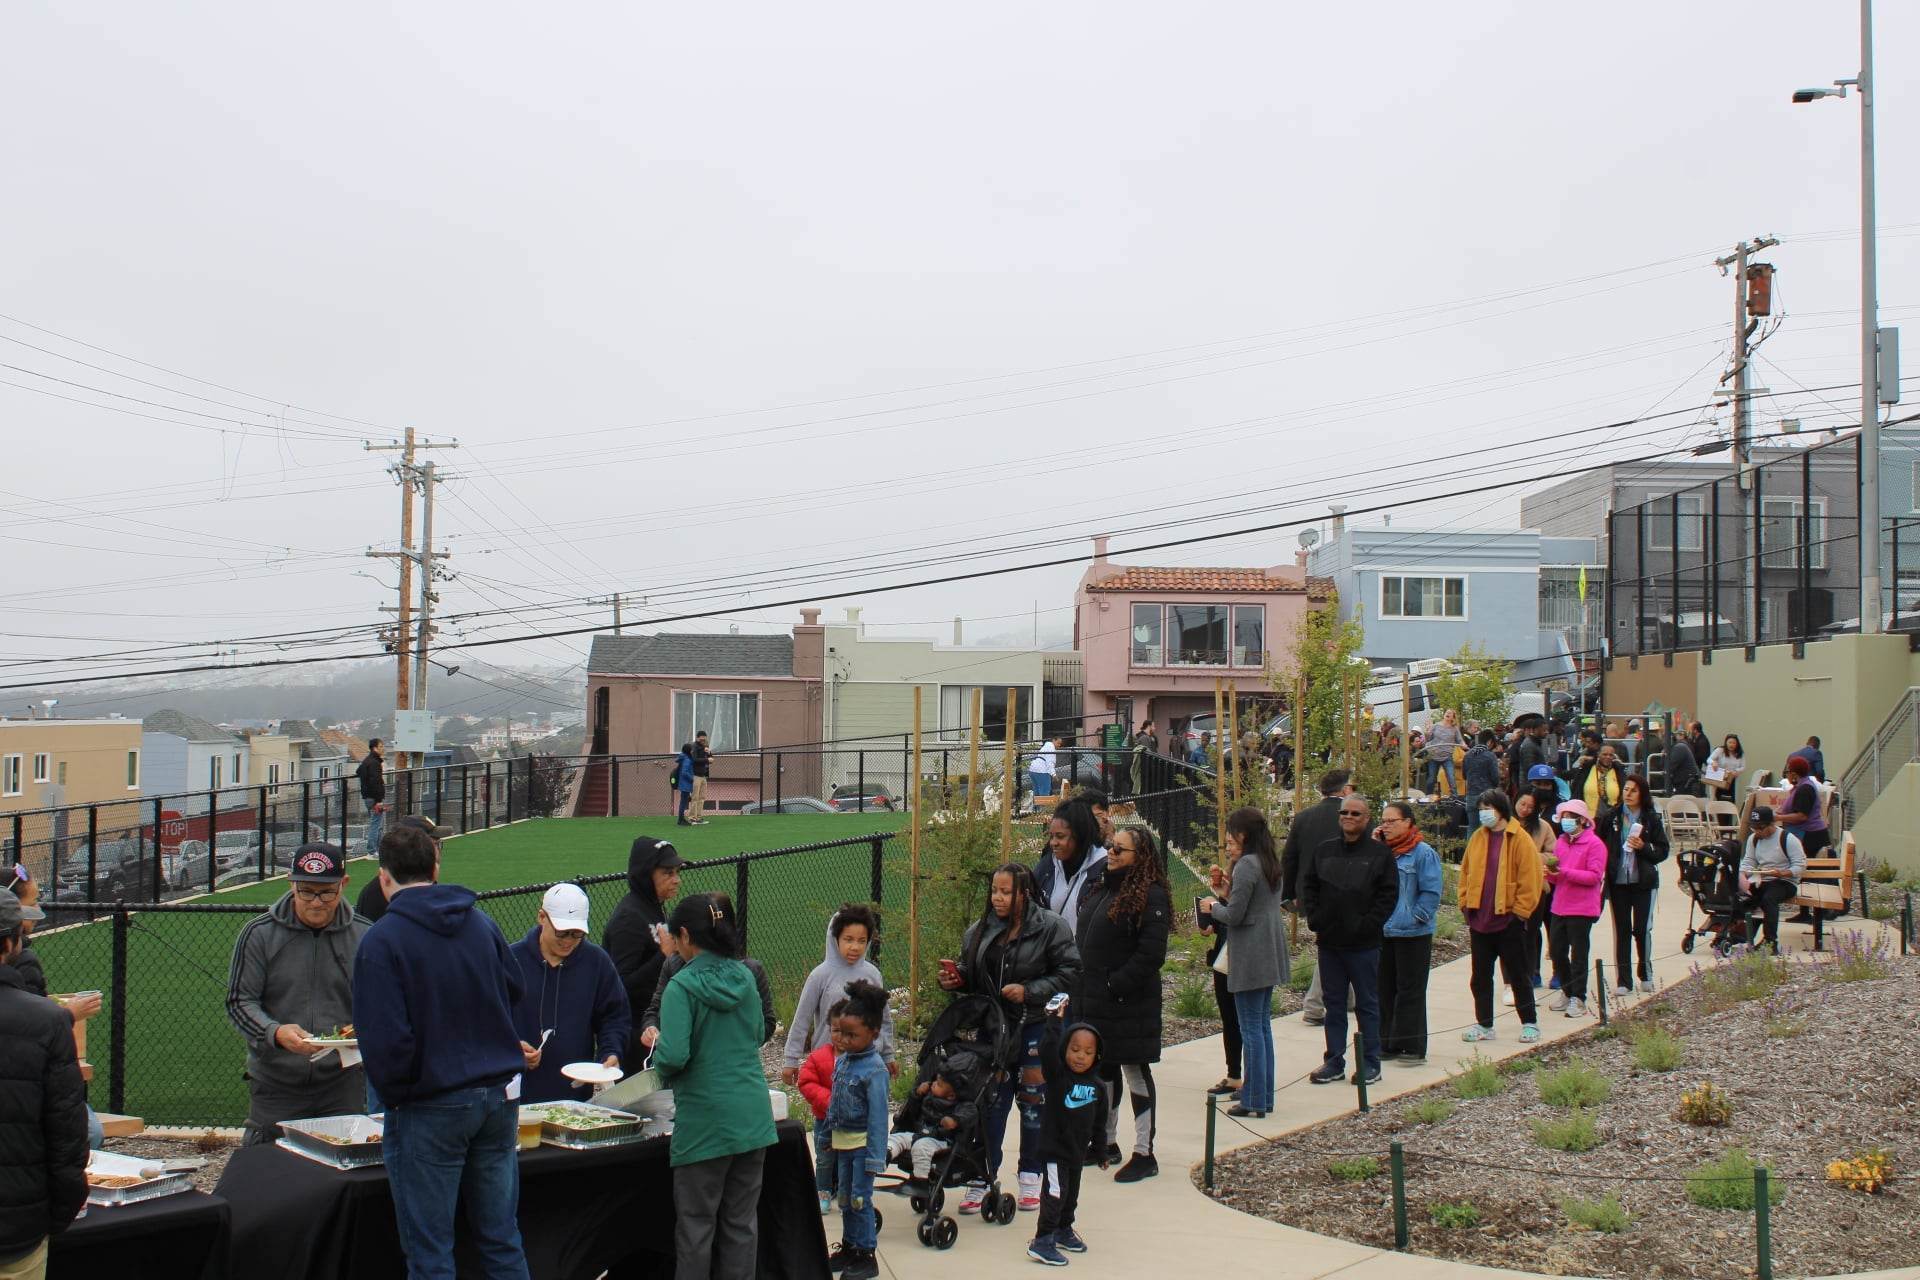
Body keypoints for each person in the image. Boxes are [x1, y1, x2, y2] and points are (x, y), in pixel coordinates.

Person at [353, 824, 530, 1279]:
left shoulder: (382, 940)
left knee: (431, 1254)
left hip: (430, 1103)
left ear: (383, 877)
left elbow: (385, 1039)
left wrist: (400, 1093)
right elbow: (514, 987)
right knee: (501, 1239)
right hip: (495, 1097)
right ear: (434, 868)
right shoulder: (480, 923)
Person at [936, 863, 1080, 1214]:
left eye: (1005, 892)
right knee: (988, 1103)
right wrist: (958, 981)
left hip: (1033, 1027)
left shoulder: (1051, 927)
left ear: (1023, 893)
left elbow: (1071, 971)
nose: (997, 898)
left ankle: (1031, 1175)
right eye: (994, 891)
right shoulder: (980, 930)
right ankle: (981, 1175)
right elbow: (974, 975)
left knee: (1033, 1103)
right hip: (993, 1030)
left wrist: (1029, 991)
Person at [653, 893, 779, 1280]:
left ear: (686, 936)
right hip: (752, 1115)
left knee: (696, 1226)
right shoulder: (745, 975)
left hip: (705, 1119)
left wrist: (662, 1065)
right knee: (741, 1223)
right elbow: (758, 1032)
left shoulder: (682, 986)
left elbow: (673, 1056)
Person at [224, 843, 371, 1147]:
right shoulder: (259, 934)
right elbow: (239, 1002)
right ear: (291, 884)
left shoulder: (366, 936)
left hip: (343, 1083)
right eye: (306, 891)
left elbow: (380, 1004)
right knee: (269, 1173)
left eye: (327, 892)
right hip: (275, 1083)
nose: (316, 903)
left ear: (343, 885)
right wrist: (274, 1032)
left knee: (342, 1177)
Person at [1072, 824, 1170, 1181]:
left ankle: (1144, 1152)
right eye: (1111, 847)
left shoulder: (1151, 896)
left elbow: (1151, 954)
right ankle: (1106, 1142)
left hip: (1129, 1003)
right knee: (1105, 1071)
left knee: (1134, 1072)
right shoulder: (1104, 888)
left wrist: (1116, 985)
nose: (1111, 853)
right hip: (1097, 1001)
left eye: (1120, 850)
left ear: (1139, 857)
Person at [0, 889, 88, 1280]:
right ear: (10, 942)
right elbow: (67, 1136)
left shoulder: (44, 1020)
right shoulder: (45, 1021)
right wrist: (55, 1216)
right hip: (17, 1231)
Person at [779, 904, 895, 1198]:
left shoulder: (872, 974)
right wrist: (791, 1060)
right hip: (830, 1065)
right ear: (835, 939)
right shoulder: (821, 975)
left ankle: (853, 1181)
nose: (854, 947)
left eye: (861, 940)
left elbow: (884, 1019)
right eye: (847, 939)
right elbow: (802, 1018)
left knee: (859, 1125)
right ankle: (825, 1183)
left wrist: (888, 1055)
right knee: (828, 1126)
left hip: (866, 1065)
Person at [506, 883, 630, 1104]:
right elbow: (485, 1020)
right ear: (541, 917)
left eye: (577, 934)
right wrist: (511, 1047)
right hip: (517, 1096)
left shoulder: (597, 962)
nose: (568, 941)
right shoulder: (511, 961)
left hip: (575, 1098)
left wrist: (611, 1052)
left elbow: (614, 1017)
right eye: (562, 933)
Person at [1301, 797, 1396, 1087]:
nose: (1349, 817)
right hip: (1330, 943)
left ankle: (1370, 1062)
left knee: (1367, 1004)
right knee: (1334, 1004)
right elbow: (1310, 885)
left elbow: (1388, 895)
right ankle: (1334, 1060)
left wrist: (1368, 924)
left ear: (1367, 818)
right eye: (1344, 812)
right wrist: (1315, 918)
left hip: (1364, 945)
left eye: (1356, 813)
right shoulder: (1325, 850)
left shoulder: (1380, 855)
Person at [1200, 808, 1287, 1116]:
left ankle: (1253, 1100)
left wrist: (1212, 906)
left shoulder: (1247, 865)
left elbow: (1234, 915)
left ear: (1243, 835)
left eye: (1231, 835)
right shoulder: (1268, 861)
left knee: (1250, 1027)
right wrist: (1227, 893)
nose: (1227, 842)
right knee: (1261, 1026)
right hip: (1269, 948)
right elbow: (1250, 904)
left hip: (1250, 952)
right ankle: (1262, 1095)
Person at [1025, 1004, 1108, 1267]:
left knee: (1070, 1196)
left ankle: (1063, 1230)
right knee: (1055, 1196)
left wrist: (1101, 1150)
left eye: (1087, 1052)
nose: (1080, 1056)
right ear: (1065, 1050)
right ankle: (1043, 1240)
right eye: (1074, 1050)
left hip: (1076, 1153)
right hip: (1054, 1151)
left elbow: (1099, 1123)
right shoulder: (1058, 1076)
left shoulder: (1097, 1087)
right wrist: (1054, 1021)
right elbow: (1048, 1051)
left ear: (1096, 1056)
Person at [1458, 790, 1543, 1042]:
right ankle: (1484, 1024)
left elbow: (1531, 880)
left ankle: (1529, 1022)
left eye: (1488, 807)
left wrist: (1519, 913)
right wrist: (1465, 904)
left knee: (1518, 975)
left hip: (1508, 921)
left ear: (1500, 809)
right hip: (1480, 921)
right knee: (1480, 977)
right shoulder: (1477, 837)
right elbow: (1465, 873)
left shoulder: (1520, 839)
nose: (1483, 812)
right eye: (1481, 807)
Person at [820, 982, 890, 1280]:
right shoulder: (844, 1062)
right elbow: (833, 1105)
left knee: (860, 1200)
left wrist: (875, 1158)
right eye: (841, 1033)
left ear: (873, 1033)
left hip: (862, 1148)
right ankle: (849, 1247)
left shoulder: (875, 1070)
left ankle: (866, 1254)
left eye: (852, 1035)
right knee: (845, 1198)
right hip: (843, 1144)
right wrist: (826, 1138)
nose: (844, 1040)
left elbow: (877, 1119)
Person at [1282, 769, 1351, 1028]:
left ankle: (1349, 998)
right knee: (1333, 946)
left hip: (1309, 894)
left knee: (1340, 944)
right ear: (1344, 790)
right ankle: (1313, 1004)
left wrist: (1288, 894)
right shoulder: (1349, 818)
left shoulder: (1303, 818)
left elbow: (1289, 858)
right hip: (1343, 892)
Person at [1377, 801, 1442, 1063]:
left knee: (1410, 990)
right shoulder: (1381, 853)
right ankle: (1387, 1043)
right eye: (1383, 821)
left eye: (1392, 821)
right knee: (1385, 988)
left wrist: (1416, 917)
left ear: (1408, 822)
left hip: (1413, 932)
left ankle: (1411, 1046)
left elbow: (1431, 891)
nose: (1386, 826)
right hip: (1384, 930)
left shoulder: (1423, 853)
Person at [604, 836, 685, 1029]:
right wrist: (663, 956)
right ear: (646, 874)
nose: (677, 880)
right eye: (668, 873)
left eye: (677, 872)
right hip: (633, 1030)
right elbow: (620, 986)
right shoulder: (628, 919)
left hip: (655, 1020)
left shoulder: (654, 906)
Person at [1598, 775, 1668, 997]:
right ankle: (1624, 980)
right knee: (1622, 930)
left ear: (1642, 794)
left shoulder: (1651, 819)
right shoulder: (1612, 817)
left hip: (1643, 882)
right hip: (1618, 882)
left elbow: (1662, 850)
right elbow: (1599, 845)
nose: (1628, 794)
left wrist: (1644, 846)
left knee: (1642, 929)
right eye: (1626, 789)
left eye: (1633, 791)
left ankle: (1645, 973)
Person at [1545, 800, 1608, 1019]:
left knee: (1579, 954)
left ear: (1582, 820)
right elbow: (1556, 876)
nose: (1565, 821)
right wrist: (1551, 872)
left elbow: (1594, 876)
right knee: (1556, 952)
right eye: (1563, 816)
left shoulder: (1595, 845)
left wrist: (1564, 873)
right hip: (1559, 906)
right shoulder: (1561, 842)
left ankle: (1578, 997)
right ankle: (1567, 990)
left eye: (1570, 816)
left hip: (1582, 908)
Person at [887, 1054, 980, 1196]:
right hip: (919, 1134)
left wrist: (954, 1120)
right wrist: (917, 1094)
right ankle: (886, 1154)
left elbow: (969, 1115)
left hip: (941, 1141)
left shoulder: (963, 1105)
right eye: (936, 1080)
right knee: (897, 1137)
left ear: (951, 1096)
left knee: (921, 1147)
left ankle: (920, 1181)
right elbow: (913, 1110)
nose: (934, 1084)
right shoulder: (928, 1096)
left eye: (939, 1084)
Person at [356, 815, 451, 925]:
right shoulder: (378, 893)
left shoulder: (421, 879)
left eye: (439, 844)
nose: (438, 851)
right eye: (434, 844)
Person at [796, 1009, 844, 1216]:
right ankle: (823, 1193)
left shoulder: (861, 1058)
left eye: (848, 1031)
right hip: (825, 1120)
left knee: (847, 1161)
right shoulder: (819, 1057)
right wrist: (830, 1101)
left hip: (851, 1123)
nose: (841, 1036)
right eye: (836, 1030)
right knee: (824, 1160)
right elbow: (806, 1082)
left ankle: (846, 1195)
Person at [1033, 799, 1107, 934]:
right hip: (1051, 951)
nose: (1053, 843)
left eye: (1060, 836)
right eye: (1051, 836)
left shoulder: (1104, 870)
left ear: (1079, 836)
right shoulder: (1048, 864)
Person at [1739, 806, 1806, 954]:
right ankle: (1739, 934)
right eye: (1753, 828)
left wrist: (1782, 873)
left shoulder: (1788, 839)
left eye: (1761, 827)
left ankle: (1770, 942)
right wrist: (1743, 874)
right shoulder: (1754, 839)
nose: (1757, 831)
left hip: (1786, 881)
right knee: (1745, 897)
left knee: (1769, 898)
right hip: (1763, 879)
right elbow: (1749, 860)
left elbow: (1800, 866)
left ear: (1772, 824)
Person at [1511, 791, 1555, 998]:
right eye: (1522, 804)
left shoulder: (1543, 827)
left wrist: (1530, 856)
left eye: (1530, 806)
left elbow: (1553, 855)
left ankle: (1533, 971)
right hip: (1510, 886)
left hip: (1537, 885)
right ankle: (1515, 975)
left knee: (1532, 930)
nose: (1525, 809)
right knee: (1513, 933)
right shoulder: (1506, 825)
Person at [1776, 755, 1830, 856]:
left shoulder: (1805, 789)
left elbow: (1801, 816)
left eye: (1787, 772)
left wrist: (1778, 817)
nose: (1786, 775)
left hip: (1810, 837)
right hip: (1806, 834)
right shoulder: (1801, 786)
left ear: (1794, 774)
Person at [1570, 742, 1625, 815]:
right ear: (1598, 754)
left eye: (1611, 755)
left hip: (1611, 818)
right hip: (1587, 817)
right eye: (1604, 754)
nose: (1608, 757)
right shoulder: (1587, 769)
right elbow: (1576, 789)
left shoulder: (1618, 772)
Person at [356, 738, 387, 855]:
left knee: (377, 823)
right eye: (381, 746)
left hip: (367, 797)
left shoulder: (367, 761)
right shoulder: (374, 763)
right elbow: (376, 782)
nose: (383, 748)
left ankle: (377, 849)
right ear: (375, 748)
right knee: (376, 824)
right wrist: (378, 800)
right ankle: (372, 850)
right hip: (374, 798)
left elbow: (358, 771)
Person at [1423, 709, 1463, 797]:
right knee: (1431, 778)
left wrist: (1464, 745)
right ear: (1444, 715)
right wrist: (1427, 731)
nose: (1448, 714)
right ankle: (1428, 797)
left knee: (1451, 777)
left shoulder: (1454, 729)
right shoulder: (1436, 726)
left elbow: (1460, 740)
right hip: (1434, 756)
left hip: (1447, 756)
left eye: (1450, 713)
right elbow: (1428, 739)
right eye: (1447, 712)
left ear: (1453, 717)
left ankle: (1455, 797)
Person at [1461, 730, 1503, 805]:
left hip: (1471, 796)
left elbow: (1464, 776)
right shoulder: (1490, 755)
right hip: (1486, 797)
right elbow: (1495, 778)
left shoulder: (1467, 755)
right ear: (1489, 741)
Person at [1705, 734, 1746, 802]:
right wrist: (1713, 763)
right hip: (1717, 778)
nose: (1731, 745)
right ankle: (1713, 811)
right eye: (1730, 742)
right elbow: (1709, 759)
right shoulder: (1720, 750)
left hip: (1731, 779)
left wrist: (1735, 771)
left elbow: (1743, 767)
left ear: (1737, 744)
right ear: (1726, 743)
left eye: (1734, 743)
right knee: (1714, 799)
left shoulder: (1740, 753)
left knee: (1729, 799)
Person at [1665, 732, 1702, 798]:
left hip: (1687, 783)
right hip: (1687, 781)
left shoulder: (1678, 748)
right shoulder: (1680, 746)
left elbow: (1670, 766)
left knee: (1685, 803)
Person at [687, 730, 713, 824]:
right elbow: (694, 759)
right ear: (697, 738)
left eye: (704, 739)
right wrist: (707, 759)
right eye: (701, 739)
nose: (703, 741)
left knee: (702, 797)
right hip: (696, 775)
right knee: (695, 797)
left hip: (703, 776)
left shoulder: (704, 746)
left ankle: (698, 817)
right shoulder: (694, 746)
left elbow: (709, 758)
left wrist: (709, 753)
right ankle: (692, 817)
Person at [672, 744, 696, 826]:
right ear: (689, 751)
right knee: (683, 802)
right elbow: (684, 772)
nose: (692, 751)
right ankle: (681, 819)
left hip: (684, 783)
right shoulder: (687, 760)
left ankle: (681, 819)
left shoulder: (684, 758)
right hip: (685, 783)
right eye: (691, 750)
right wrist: (692, 779)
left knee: (684, 801)